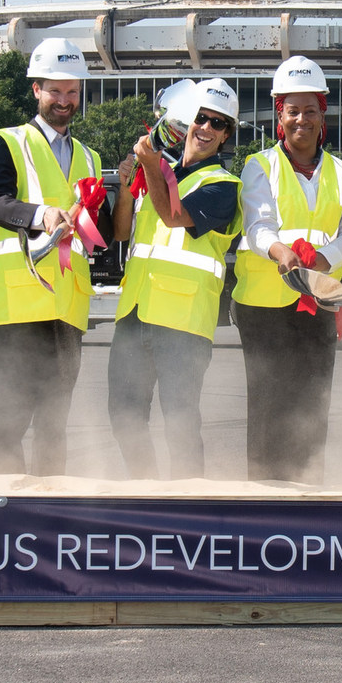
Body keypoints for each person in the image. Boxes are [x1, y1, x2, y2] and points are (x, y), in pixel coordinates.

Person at [0, 37, 104, 475]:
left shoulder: (90, 157)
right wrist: (41, 214)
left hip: (65, 309)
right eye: (55, 91)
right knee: (7, 428)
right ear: (36, 90)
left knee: (54, 426)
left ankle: (50, 518)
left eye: (72, 91)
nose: (64, 101)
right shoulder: (9, 142)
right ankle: (5, 517)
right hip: (16, 307)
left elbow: (90, 232)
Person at [233, 55, 342, 483]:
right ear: (279, 113)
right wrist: (279, 251)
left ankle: (308, 491)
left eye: (310, 110)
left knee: (312, 404)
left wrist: (323, 261)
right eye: (293, 110)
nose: (302, 120)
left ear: (323, 111)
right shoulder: (260, 166)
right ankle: (264, 499)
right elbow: (257, 225)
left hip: (320, 304)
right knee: (268, 405)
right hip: (265, 307)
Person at [106, 78, 242, 479]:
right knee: (123, 416)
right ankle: (145, 492)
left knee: (181, 425)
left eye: (217, 124)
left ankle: (187, 509)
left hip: (183, 323)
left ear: (225, 136)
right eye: (200, 117)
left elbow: (174, 217)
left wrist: (149, 165)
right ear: (186, 118)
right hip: (134, 314)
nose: (205, 128)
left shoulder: (222, 186)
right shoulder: (158, 174)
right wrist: (131, 186)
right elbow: (120, 234)